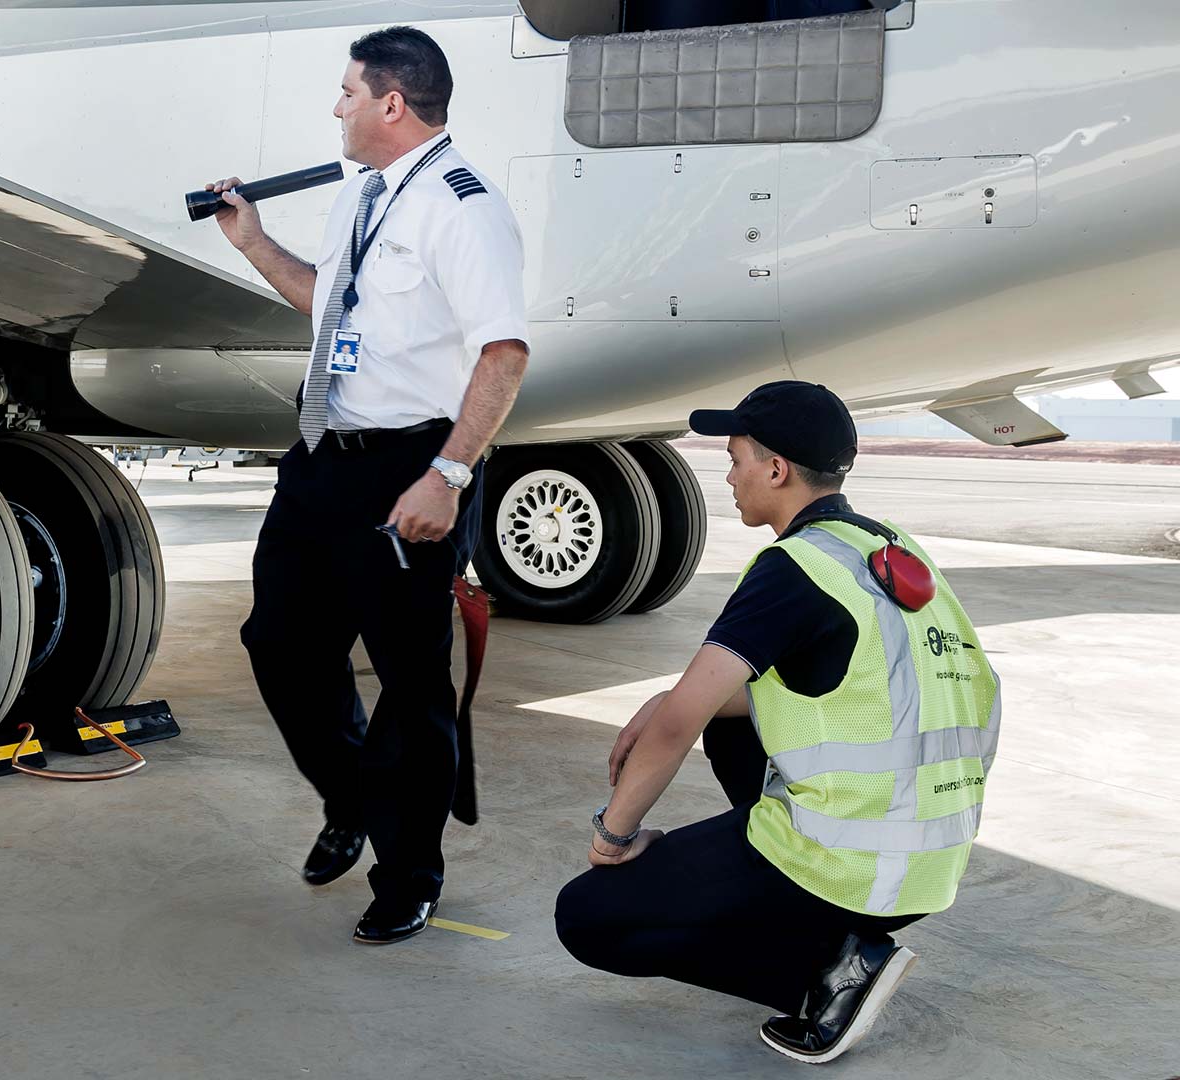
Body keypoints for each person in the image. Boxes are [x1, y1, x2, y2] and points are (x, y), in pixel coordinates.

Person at [552, 381, 1001, 1064]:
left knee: (587, 917)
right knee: (731, 722)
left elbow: (675, 728)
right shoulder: (885, 548)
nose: (728, 476)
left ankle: (830, 975)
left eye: (734, 459)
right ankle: (826, 932)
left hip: (854, 867)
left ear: (776, 469)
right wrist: (667, 703)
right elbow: (853, 688)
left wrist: (612, 837)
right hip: (931, 859)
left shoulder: (794, 570)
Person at [203, 26, 529, 944]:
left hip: (405, 470)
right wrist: (253, 244)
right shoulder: (363, 194)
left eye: (348, 91)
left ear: (392, 103)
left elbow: (503, 352)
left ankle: (407, 871)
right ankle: (353, 800)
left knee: (410, 683)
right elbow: (329, 307)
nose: (336, 105)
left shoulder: (461, 207)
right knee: (278, 646)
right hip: (321, 462)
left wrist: (448, 476)